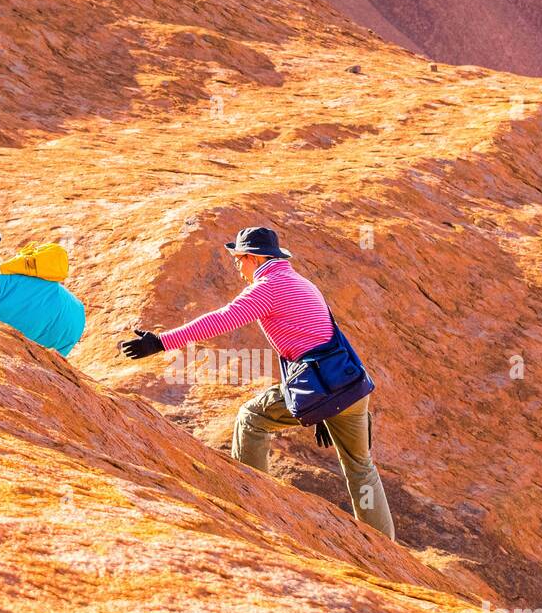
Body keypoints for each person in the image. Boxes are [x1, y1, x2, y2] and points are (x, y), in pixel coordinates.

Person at [119, 227, 394, 538]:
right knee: (361, 467)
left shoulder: (268, 287)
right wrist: (326, 407)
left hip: (327, 389)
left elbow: (222, 319)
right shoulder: (303, 283)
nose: (237, 267)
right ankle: (387, 548)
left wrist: (161, 342)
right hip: (348, 384)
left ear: (253, 257)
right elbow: (324, 338)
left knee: (251, 418)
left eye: (239, 259)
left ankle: (252, 507)